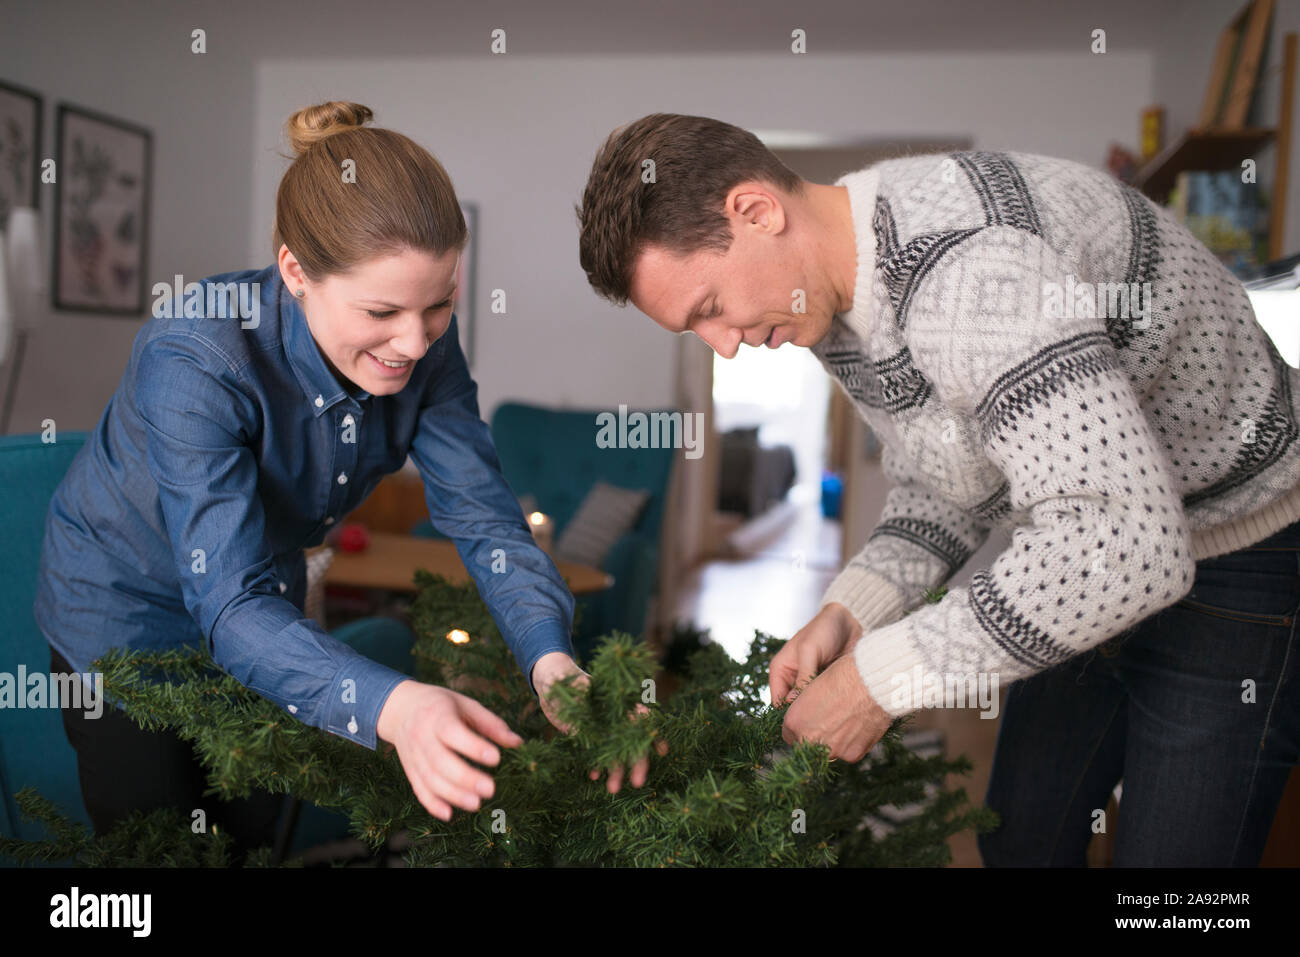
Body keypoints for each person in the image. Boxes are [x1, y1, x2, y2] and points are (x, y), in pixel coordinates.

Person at [575, 112, 1300, 866]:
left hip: (1238, 554)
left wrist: (879, 681)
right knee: (1022, 835)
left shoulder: (964, 268)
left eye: (711, 308)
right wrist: (852, 612)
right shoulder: (833, 297)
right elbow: (947, 478)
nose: (725, 344)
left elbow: (1123, 541)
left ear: (757, 211)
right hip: (1089, 551)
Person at [34, 101, 651, 860]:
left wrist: (551, 658)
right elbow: (225, 602)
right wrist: (393, 705)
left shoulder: (424, 341)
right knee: (160, 846)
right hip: (123, 614)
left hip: (264, 605)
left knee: (254, 832)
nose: (413, 341)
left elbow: (488, 523)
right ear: (295, 270)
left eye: (440, 303)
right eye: (382, 311)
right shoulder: (194, 355)